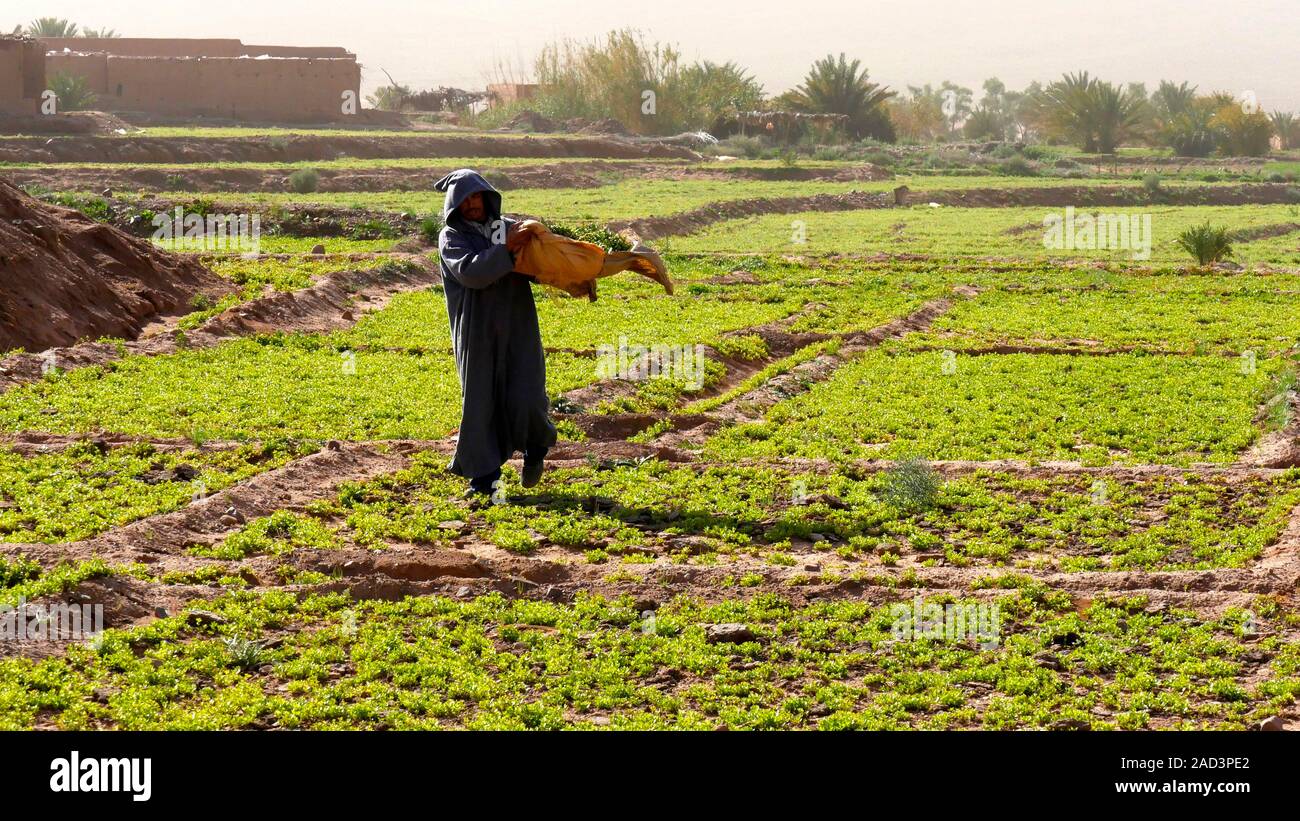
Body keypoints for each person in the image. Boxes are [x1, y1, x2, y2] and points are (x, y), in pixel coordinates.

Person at [433, 169, 555, 497]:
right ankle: (486, 481)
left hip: (517, 326)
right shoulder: (451, 238)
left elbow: (539, 262)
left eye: (477, 196)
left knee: (527, 394)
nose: (473, 204)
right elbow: (472, 272)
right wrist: (506, 252)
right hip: (477, 333)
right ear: (454, 205)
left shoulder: (507, 228)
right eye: (465, 199)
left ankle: (535, 449)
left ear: (489, 198)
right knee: (480, 402)